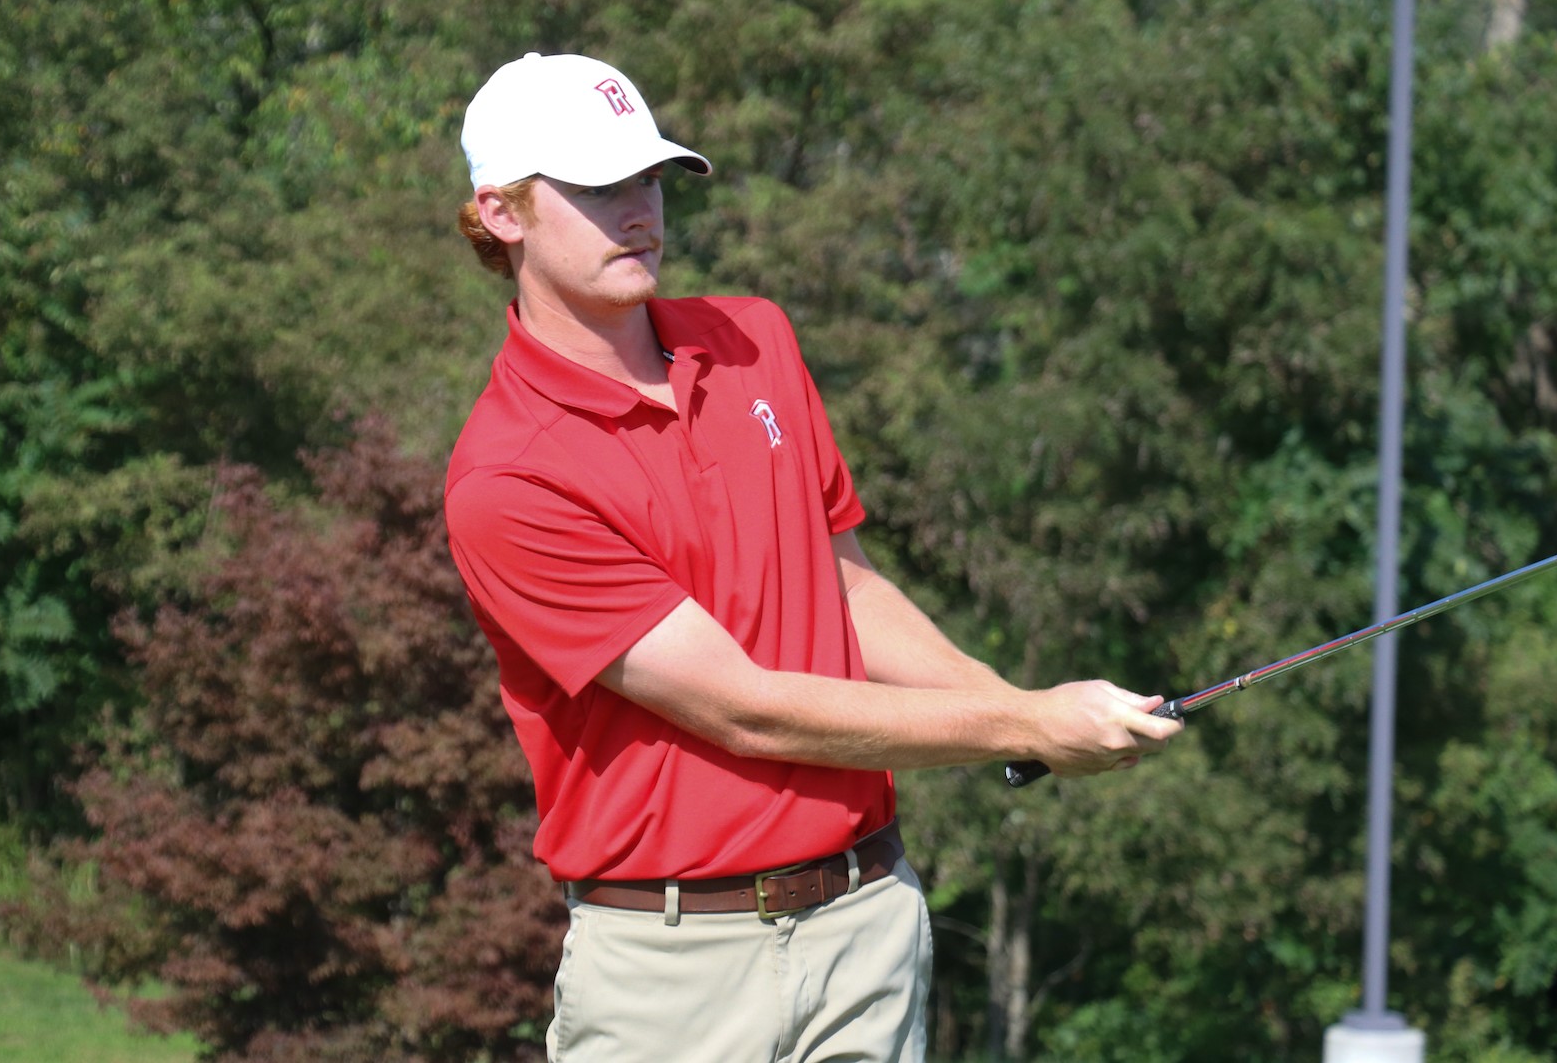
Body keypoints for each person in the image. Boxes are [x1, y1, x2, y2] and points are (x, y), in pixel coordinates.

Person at [444, 51, 1182, 1063]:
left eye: (648, 179)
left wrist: (1019, 711)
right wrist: (1022, 722)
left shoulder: (755, 340)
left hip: (866, 926)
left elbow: (845, 588)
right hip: (673, 978)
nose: (638, 210)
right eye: (597, 187)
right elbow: (743, 708)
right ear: (502, 214)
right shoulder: (509, 478)